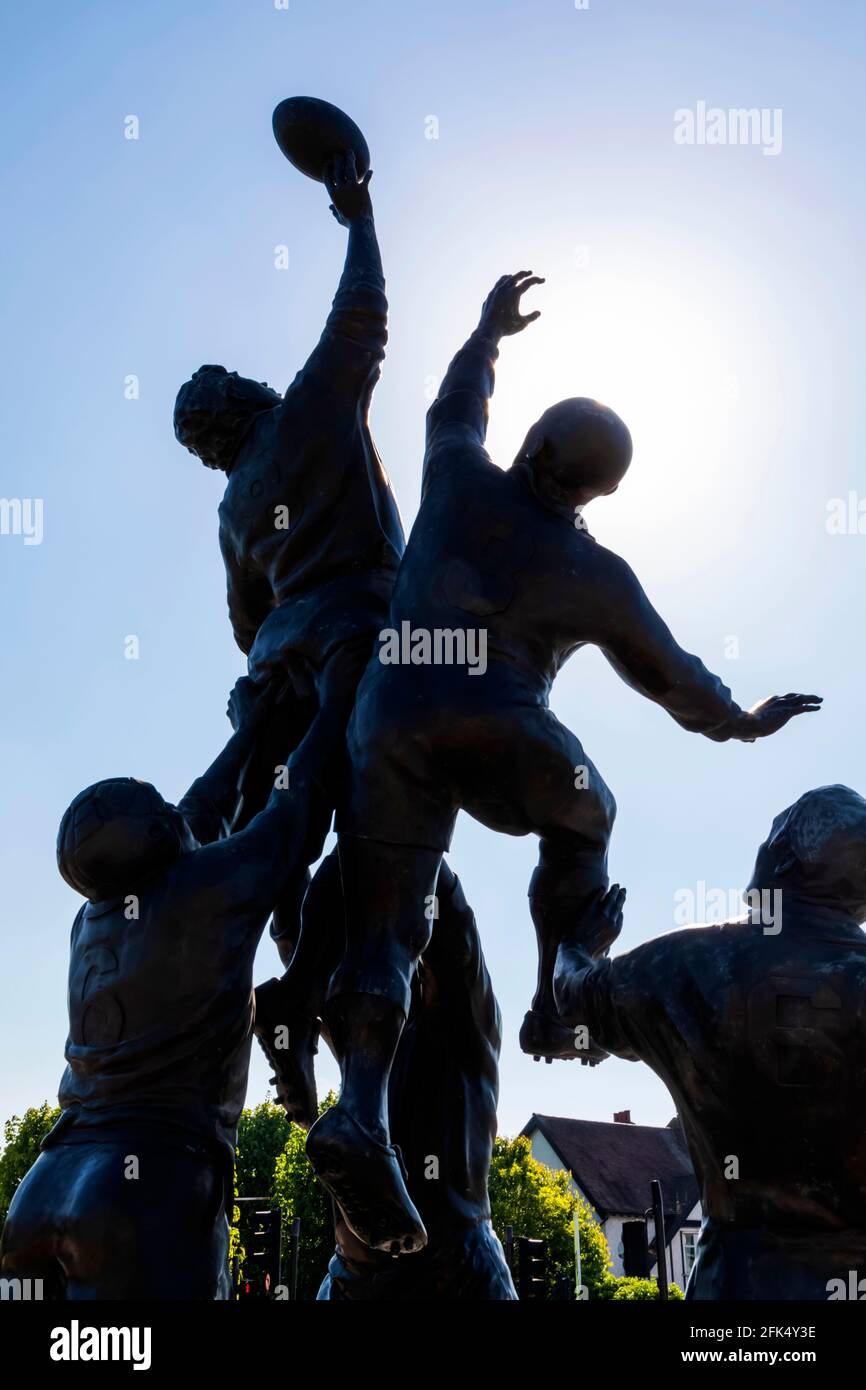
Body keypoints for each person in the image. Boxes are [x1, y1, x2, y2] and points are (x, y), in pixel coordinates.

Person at [306, 270, 821, 1253]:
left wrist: (487, 331)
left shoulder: (455, 474)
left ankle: (358, 1107)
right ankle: (559, 994)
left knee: (387, 931)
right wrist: (745, 723)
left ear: (532, 446)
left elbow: (450, 401)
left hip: (388, 719)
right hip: (502, 727)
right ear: (597, 491)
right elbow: (676, 679)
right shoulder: (592, 571)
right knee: (588, 810)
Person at [173, 153, 405, 1120]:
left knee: (277, 808)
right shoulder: (307, 410)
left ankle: (258, 945)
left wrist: (274, 659)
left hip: (280, 665)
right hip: (360, 633)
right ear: (243, 402)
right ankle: (319, 992)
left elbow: (245, 626)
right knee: (382, 819)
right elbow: (361, 322)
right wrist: (357, 217)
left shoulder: (231, 509)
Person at [0, 676, 317, 1299]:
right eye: (154, 803)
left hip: (40, 1192)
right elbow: (296, 813)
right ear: (153, 838)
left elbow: (199, 811)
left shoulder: (90, 922)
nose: (170, 806)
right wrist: (338, 697)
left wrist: (251, 731)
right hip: (140, 1191)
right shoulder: (209, 889)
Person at [554, 785, 866, 1300]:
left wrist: (577, 947)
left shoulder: (688, 965)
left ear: (784, 857)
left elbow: (575, 996)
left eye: (772, 837)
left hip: (740, 1288)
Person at [315, 857, 516, 1300]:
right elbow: (306, 950)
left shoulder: (467, 1026)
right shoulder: (368, 1034)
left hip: (450, 1273)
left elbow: (451, 919)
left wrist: (382, 837)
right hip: (359, 1275)